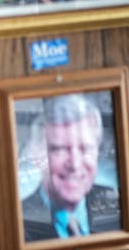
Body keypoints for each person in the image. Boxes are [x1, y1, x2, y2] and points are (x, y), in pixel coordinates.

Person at [20, 93, 121, 241]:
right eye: (60, 149)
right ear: (37, 152)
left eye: (85, 148)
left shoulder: (120, 190)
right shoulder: (19, 214)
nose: (74, 164)